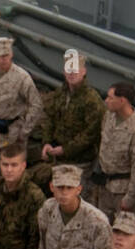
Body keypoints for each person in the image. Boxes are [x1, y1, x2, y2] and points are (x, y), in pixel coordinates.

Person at [36, 50, 105, 180]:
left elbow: (90, 134)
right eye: (69, 69)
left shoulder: (92, 100)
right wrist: (47, 142)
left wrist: (66, 149)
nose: (72, 73)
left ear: (83, 71)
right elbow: (50, 119)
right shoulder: (60, 93)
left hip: (80, 163)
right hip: (58, 158)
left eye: (75, 69)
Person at [0, 37, 42, 173]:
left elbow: (36, 104)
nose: (3, 59)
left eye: (6, 55)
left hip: (12, 135)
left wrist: (25, 131)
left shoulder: (22, 77)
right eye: (0, 56)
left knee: (12, 172)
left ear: (11, 55)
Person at [94, 81, 135, 222]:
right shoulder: (109, 117)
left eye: (110, 98)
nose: (106, 101)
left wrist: (130, 199)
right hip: (104, 187)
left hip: (123, 192)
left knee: (124, 233)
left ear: (122, 100)